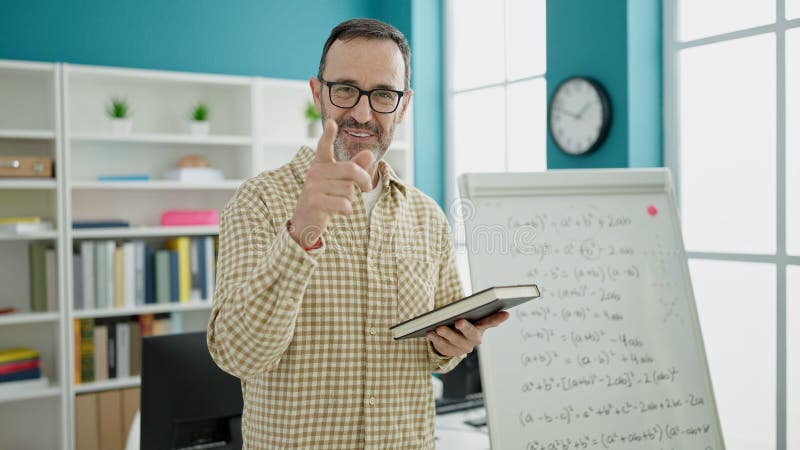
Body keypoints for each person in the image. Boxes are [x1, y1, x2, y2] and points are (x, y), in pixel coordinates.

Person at [207, 18, 509, 449]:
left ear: (403, 106)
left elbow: (439, 355)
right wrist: (303, 229)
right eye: (345, 89)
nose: (363, 114)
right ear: (317, 94)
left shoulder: (426, 215)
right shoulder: (258, 201)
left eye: (384, 94)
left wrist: (454, 343)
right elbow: (238, 354)